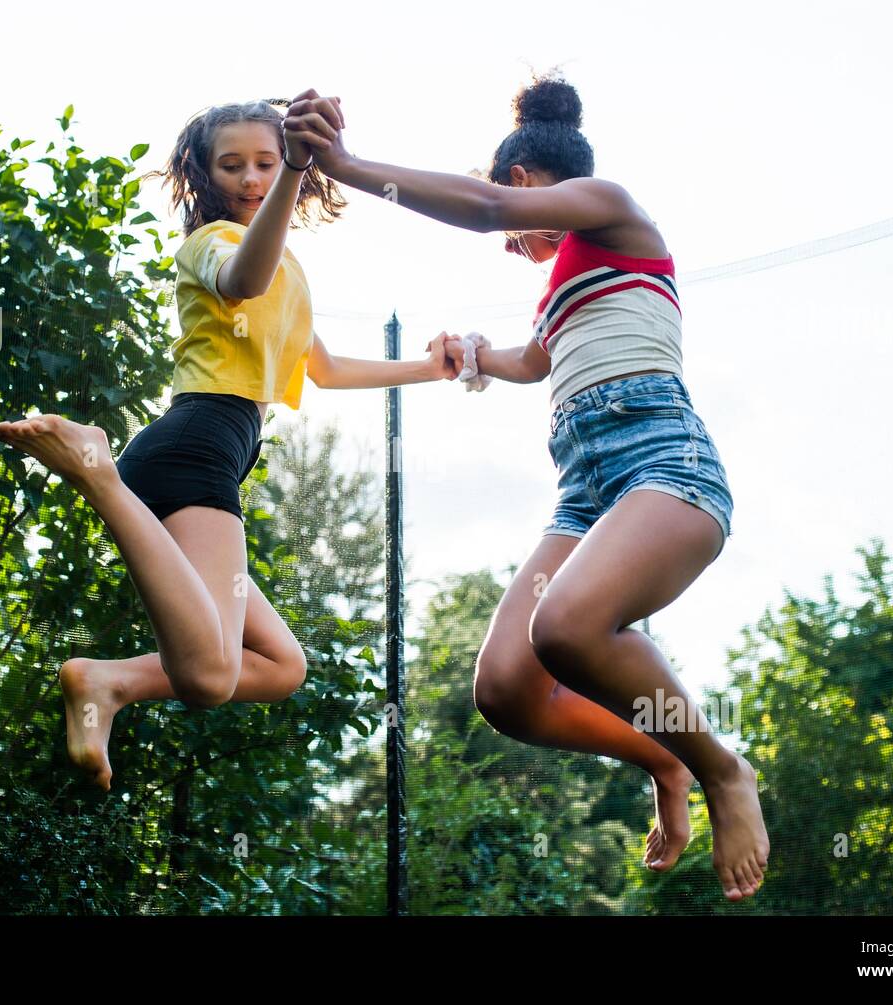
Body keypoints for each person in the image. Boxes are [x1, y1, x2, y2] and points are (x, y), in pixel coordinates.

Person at [284, 75, 770, 901]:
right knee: (506, 685)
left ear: (520, 183)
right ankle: (664, 754)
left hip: (664, 464)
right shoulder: (563, 286)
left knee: (569, 626)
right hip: (585, 489)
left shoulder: (616, 210)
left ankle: (723, 770)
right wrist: (469, 354)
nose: (510, 244)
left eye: (514, 224)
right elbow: (531, 361)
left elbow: (483, 210)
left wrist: (347, 164)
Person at [0, 89, 462, 792]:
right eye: (232, 165)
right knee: (209, 676)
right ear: (205, 177)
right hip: (196, 445)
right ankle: (97, 472)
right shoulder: (213, 245)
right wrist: (298, 169)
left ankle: (108, 680)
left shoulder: (289, 271)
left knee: (278, 666)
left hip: (212, 455)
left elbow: (324, 369)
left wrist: (427, 368)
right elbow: (243, 282)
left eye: (267, 163)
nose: (250, 178)